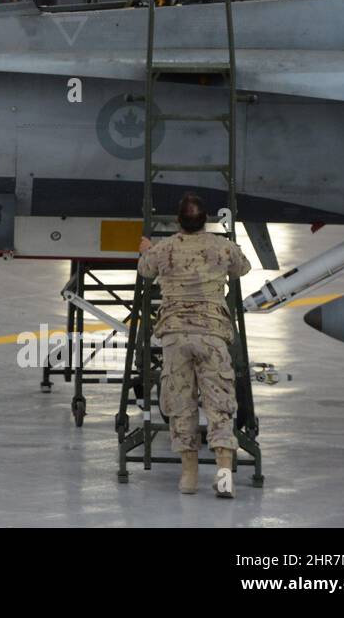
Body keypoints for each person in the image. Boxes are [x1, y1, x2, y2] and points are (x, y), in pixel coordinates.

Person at [137, 193, 251, 497]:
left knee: (181, 405)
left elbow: (144, 270)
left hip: (176, 337)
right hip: (212, 336)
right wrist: (230, 250)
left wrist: (146, 249)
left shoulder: (165, 249)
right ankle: (224, 474)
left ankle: (188, 477)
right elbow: (244, 268)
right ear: (206, 220)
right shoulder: (221, 247)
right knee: (220, 404)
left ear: (178, 221)